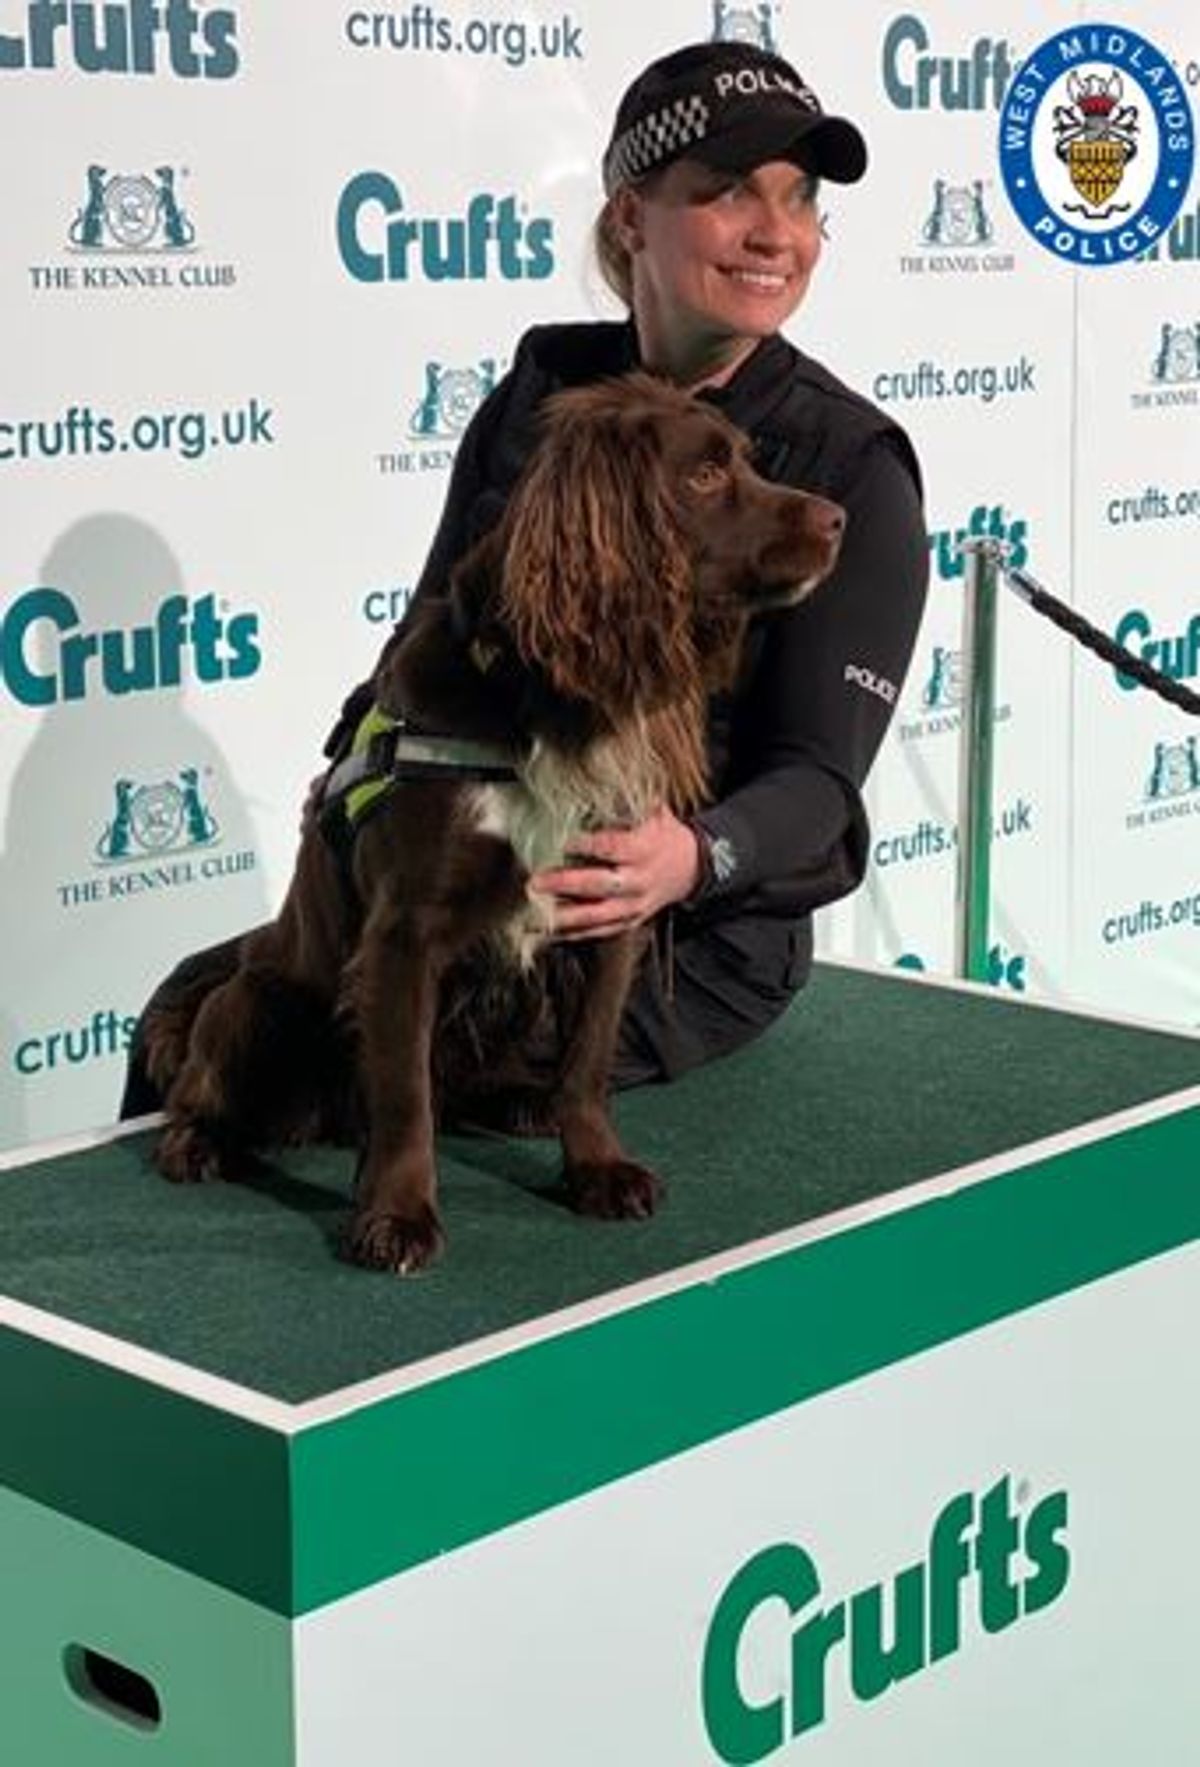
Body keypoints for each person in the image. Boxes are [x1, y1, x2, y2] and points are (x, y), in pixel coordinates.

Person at [120, 37, 928, 1119]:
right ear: (632, 216)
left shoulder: (849, 469)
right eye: (730, 191)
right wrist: (360, 764)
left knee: (330, 1081)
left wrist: (688, 855)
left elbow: (818, 787)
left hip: (670, 938)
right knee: (197, 1011)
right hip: (477, 872)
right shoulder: (542, 395)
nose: (777, 232)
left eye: (800, 198)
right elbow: (433, 626)